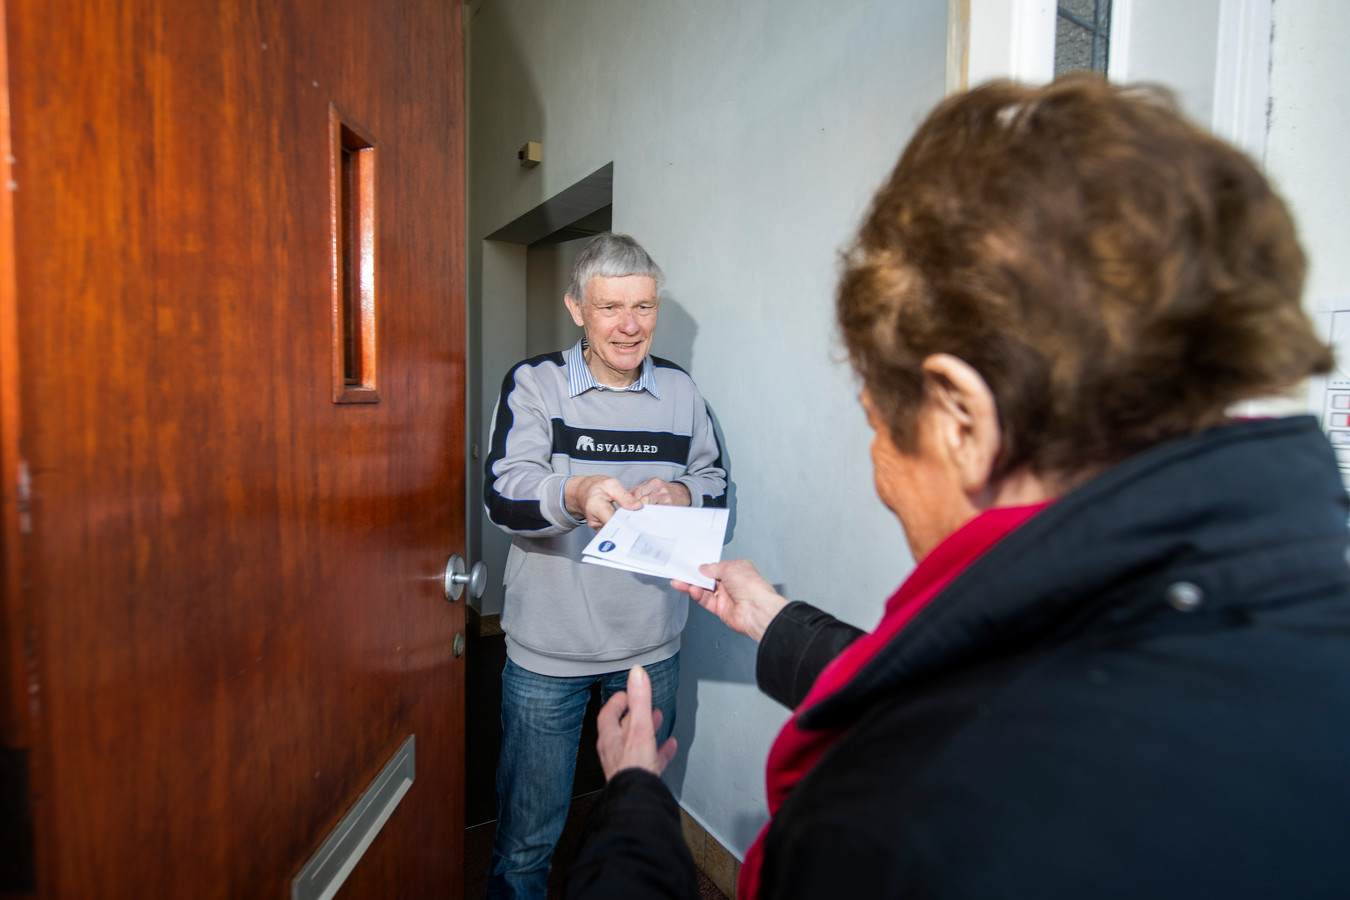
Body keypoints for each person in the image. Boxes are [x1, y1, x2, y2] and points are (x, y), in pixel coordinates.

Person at [563, 75, 1350, 899]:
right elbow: (969, 679)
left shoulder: (891, 820)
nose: (880, 471)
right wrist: (776, 623)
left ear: (962, 422)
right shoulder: (1278, 629)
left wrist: (634, 806)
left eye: (875, 423)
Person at [483, 231, 728, 899]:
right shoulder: (534, 384)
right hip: (548, 651)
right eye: (610, 307)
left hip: (650, 646)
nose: (628, 326)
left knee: (635, 817)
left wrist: (680, 492)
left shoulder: (680, 391)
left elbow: (715, 483)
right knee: (528, 840)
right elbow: (504, 495)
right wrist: (576, 491)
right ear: (576, 308)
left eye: (643, 308)